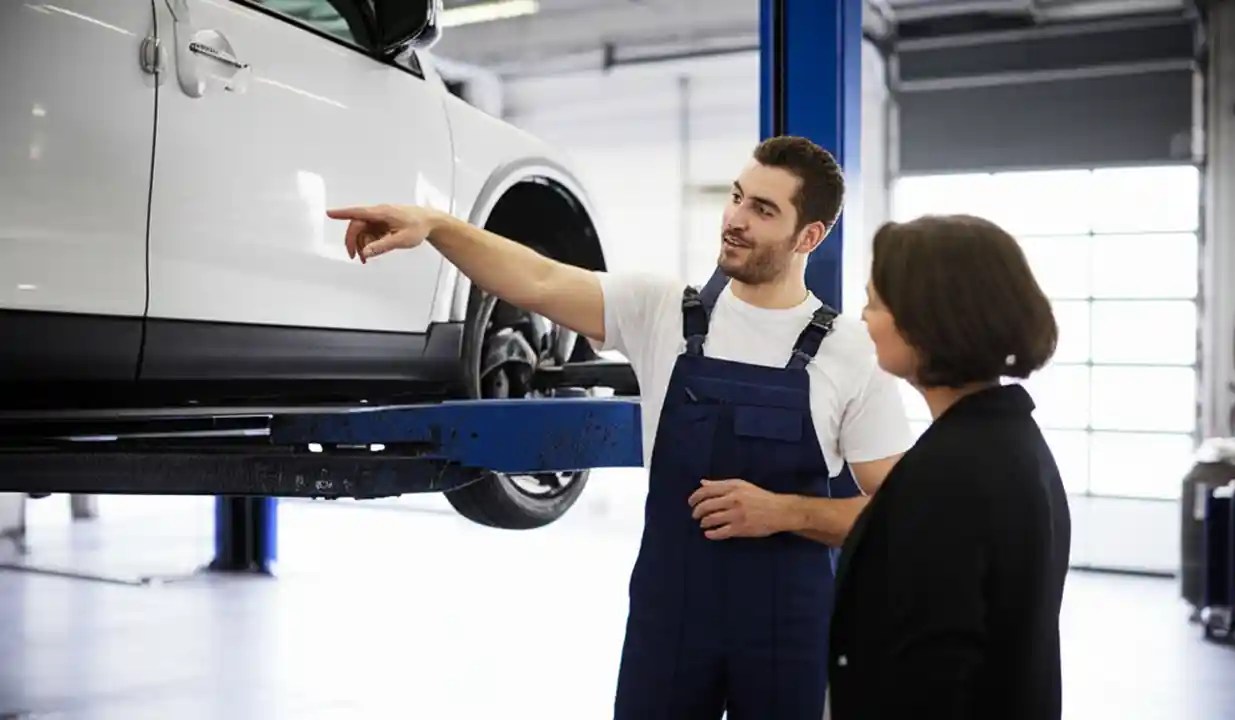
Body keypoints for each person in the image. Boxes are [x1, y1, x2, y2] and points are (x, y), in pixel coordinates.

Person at [328, 135, 913, 718]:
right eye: (737, 197)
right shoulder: (662, 309)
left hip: (789, 625)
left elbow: (897, 515)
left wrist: (786, 512)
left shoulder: (848, 354)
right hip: (671, 613)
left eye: (763, 210)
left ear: (809, 236)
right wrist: (436, 226)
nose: (735, 219)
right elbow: (537, 279)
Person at [826, 214, 1072, 720]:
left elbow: (931, 678)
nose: (866, 320)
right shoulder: (1011, 439)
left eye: (875, 302)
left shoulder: (951, 475)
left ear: (929, 318)